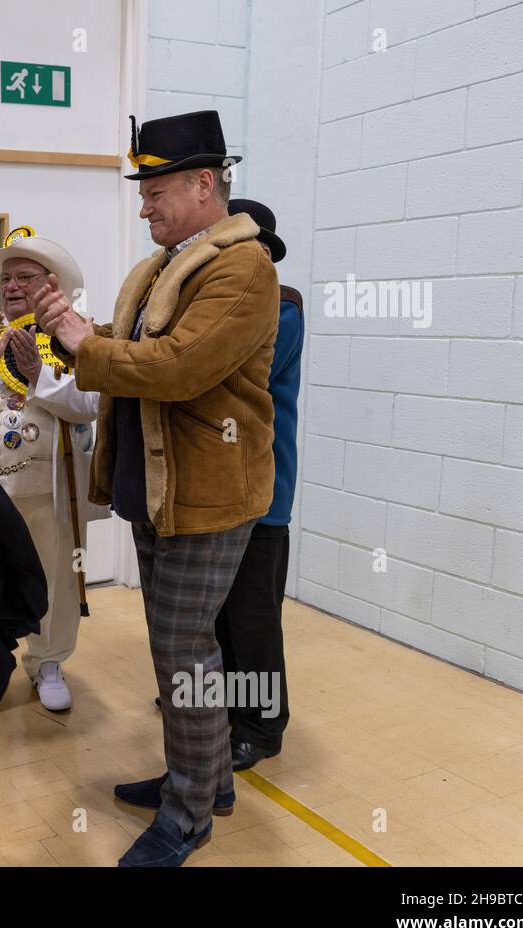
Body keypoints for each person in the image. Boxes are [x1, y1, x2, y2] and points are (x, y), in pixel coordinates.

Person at [36, 111, 280, 866]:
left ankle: (190, 815)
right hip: (159, 490)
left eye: (156, 190)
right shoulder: (164, 266)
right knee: (176, 651)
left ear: (205, 185)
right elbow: (129, 349)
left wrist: (87, 343)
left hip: (209, 496)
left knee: (186, 654)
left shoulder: (243, 269)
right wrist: (71, 329)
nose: (144, 205)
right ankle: (205, 782)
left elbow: (176, 367)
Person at [0, 229, 102, 721]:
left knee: (54, 576)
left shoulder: (74, 333)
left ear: (50, 283)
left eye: (24, 277)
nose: (10, 286)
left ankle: (48, 663)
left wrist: (39, 377)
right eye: (4, 278)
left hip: (49, 486)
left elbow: (89, 405)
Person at [215, 198, 303, 772]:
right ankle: (222, 703)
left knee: (252, 618)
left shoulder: (282, 308)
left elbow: (232, 373)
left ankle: (263, 726)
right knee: (218, 612)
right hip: (222, 493)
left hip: (264, 495)